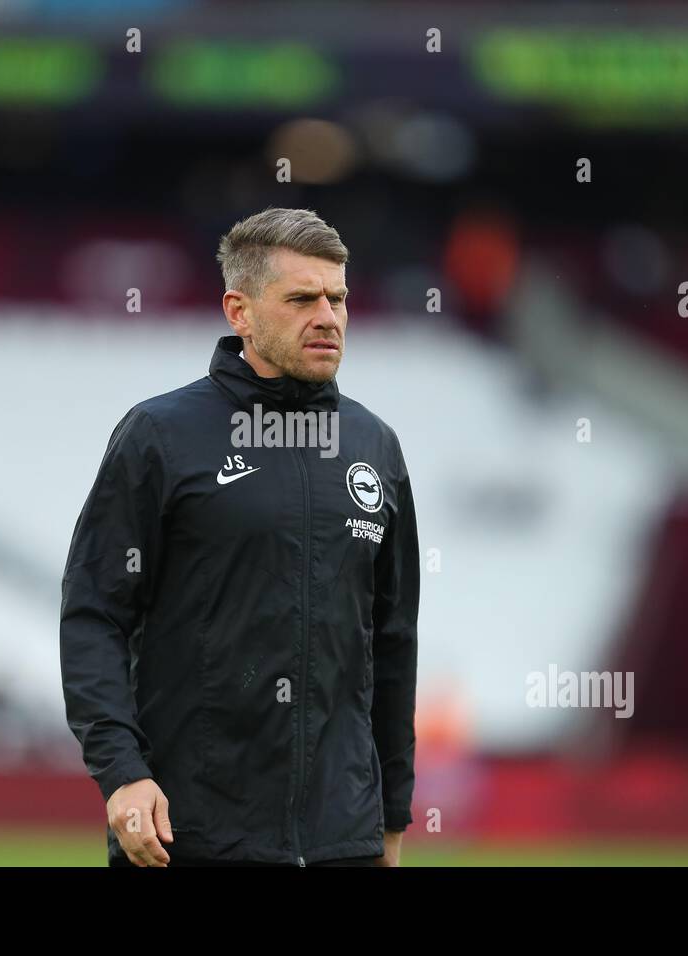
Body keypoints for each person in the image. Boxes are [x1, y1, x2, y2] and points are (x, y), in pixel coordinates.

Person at [59, 207, 419, 866]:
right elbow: (93, 615)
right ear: (240, 311)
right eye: (302, 298)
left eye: (338, 298)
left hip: (345, 840)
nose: (329, 317)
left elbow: (393, 642)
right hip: (189, 838)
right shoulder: (160, 437)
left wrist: (390, 819)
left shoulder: (374, 446)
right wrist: (121, 774)